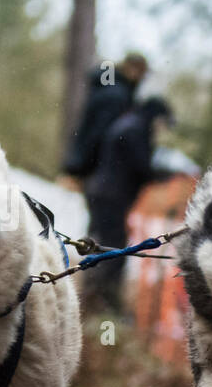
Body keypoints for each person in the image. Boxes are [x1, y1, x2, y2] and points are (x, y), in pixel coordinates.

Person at [83, 96, 174, 314]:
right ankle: (104, 301)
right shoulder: (135, 129)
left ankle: (92, 296)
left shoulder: (128, 123)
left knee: (99, 241)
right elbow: (142, 166)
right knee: (114, 248)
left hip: (103, 192)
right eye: (161, 122)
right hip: (112, 196)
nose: (160, 128)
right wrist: (164, 173)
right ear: (156, 116)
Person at [61, 51, 149, 186]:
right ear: (132, 69)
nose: (142, 78)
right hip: (86, 171)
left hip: (80, 164)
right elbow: (98, 134)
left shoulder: (110, 87)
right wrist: (82, 169)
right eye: (142, 72)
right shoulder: (117, 96)